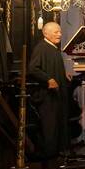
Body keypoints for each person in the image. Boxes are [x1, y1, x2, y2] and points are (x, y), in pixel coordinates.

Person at [27, 21, 71, 161]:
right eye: (56, 32)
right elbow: (33, 68)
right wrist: (48, 79)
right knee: (50, 127)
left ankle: (59, 154)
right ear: (46, 33)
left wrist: (62, 74)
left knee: (58, 124)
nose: (60, 34)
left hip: (57, 95)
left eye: (60, 31)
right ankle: (50, 159)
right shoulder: (41, 48)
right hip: (47, 96)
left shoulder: (52, 48)